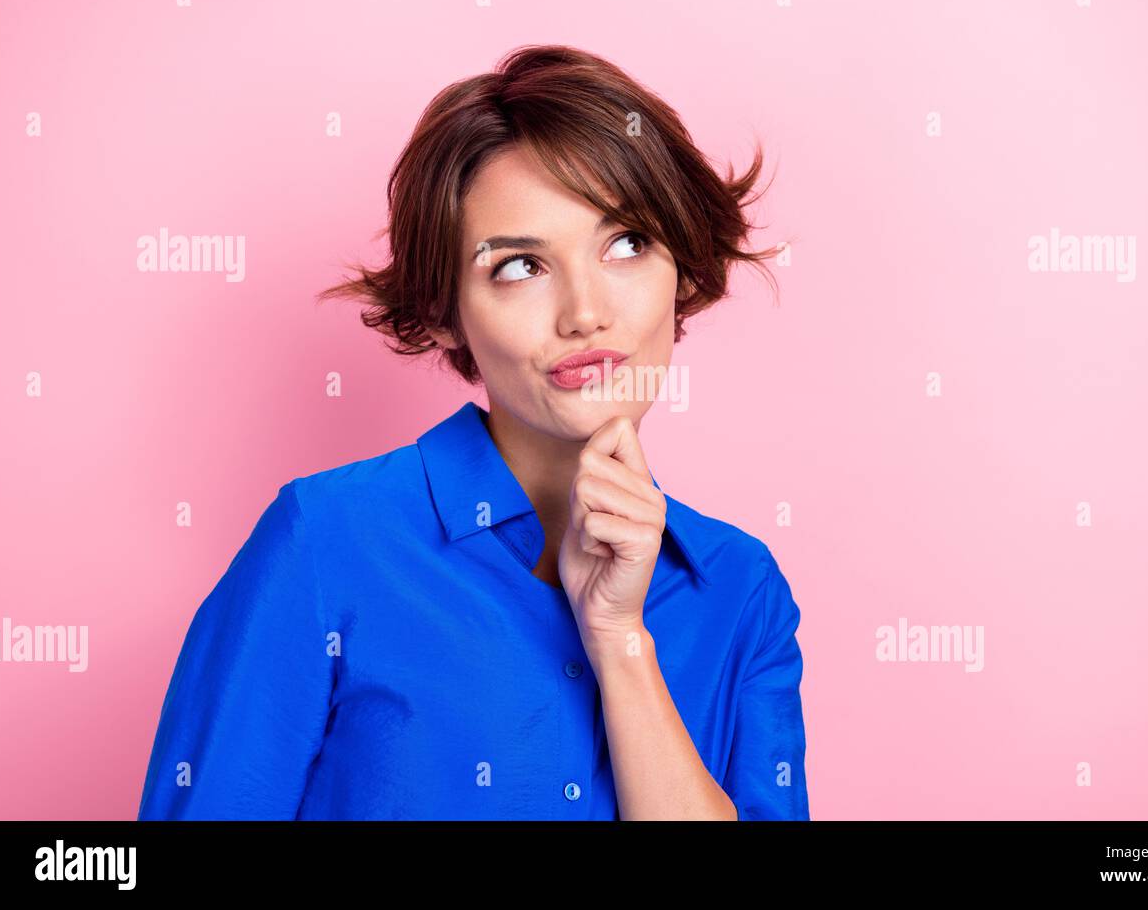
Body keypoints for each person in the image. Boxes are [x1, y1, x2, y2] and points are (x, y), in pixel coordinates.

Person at [137, 44, 809, 820]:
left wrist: (623, 643)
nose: (585, 311)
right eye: (521, 266)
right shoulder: (325, 543)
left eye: (628, 244)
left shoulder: (740, 588)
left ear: (685, 268)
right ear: (444, 310)